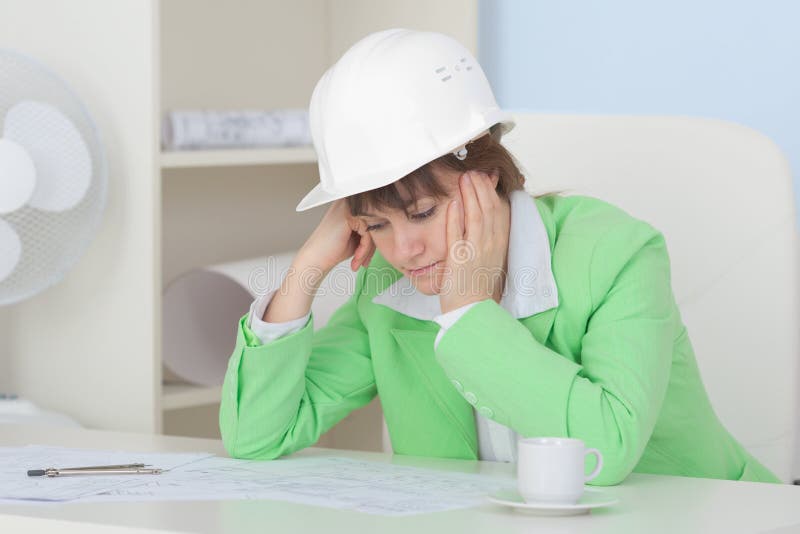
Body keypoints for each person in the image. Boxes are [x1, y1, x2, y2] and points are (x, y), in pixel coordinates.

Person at [219, 28, 779, 485]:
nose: (404, 250)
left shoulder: (617, 253)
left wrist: (467, 315)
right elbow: (256, 436)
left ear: (485, 176)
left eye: (422, 213)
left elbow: (602, 450)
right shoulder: (388, 291)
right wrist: (309, 267)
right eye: (374, 226)